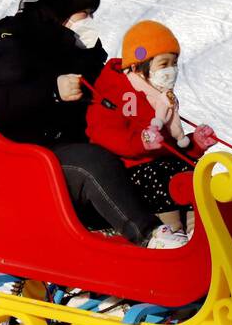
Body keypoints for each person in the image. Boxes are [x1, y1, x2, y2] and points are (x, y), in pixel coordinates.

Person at [0, 0, 187, 250]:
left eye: (92, 13)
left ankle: (191, 229)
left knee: (146, 157)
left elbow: (105, 96)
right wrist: (51, 91)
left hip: (72, 141)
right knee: (93, 161)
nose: (89, 20)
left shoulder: (78, 50)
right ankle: (149, 234)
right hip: (32, 153)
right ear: (58, 10)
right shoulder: (15, 46)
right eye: (84, 13)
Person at [85, 20, 217, 234]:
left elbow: (172, 145)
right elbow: (104, 135)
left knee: (191, 172)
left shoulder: (160, 96)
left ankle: (199, 229)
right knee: (158, 175)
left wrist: (195, 145)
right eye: (163, 64)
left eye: (174, 63)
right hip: (129, 170)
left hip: (160, 164)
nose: (171, 71)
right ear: (138, 66)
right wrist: (142, 142)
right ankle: (170, 231)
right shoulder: (115, 91)